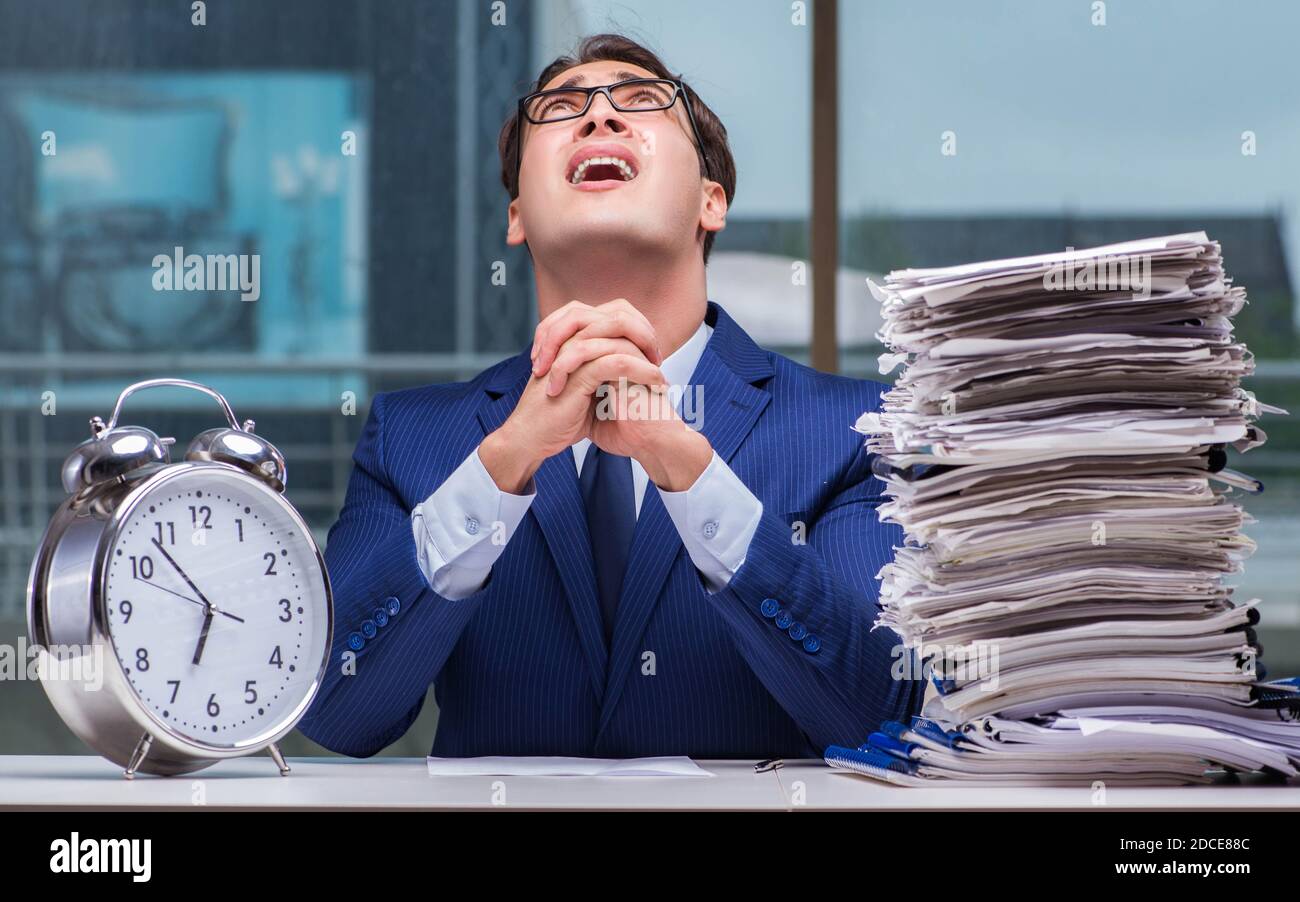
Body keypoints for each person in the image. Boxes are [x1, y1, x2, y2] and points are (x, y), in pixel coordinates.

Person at [297, 33, 925, 759]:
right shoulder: (410, 438)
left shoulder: (855, 431)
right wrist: (501, 466)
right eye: (562, 108)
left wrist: (686, 467)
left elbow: (879, 710)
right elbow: (334, 709)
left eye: (642, 102)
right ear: (517, 216)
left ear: (710, 201)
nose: (600, 118)